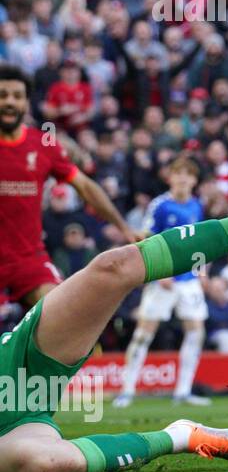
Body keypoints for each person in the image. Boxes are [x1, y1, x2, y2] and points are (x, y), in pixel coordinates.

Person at [0, 143, 228, 472]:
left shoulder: (193, 204)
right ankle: (179, 435)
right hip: (16, 429)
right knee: (44, 462)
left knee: (114, 266)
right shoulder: (161, 204)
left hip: (13, 367)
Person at [0, 64, 139, 311]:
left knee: (62, 314)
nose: (9, 102)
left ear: (26, 103)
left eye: (17, 96)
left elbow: (86, 187)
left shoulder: (43, 144)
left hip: (29, 261)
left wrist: (123, 228)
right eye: (3, 95)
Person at [114, 156, 211, 408]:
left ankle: (183, 391)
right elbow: (146, 239)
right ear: (170, 177)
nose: (182, 178)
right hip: (164, 279)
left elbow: (199, 241)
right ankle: (127, 391)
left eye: (187, 174)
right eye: (177, 173)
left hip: (188, 279)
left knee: (196, 332)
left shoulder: (197, 206)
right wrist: (160, 272)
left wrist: (201, 270)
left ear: (193, 180)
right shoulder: (160, 205)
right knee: (144, 334)